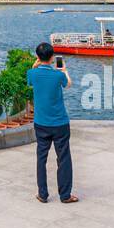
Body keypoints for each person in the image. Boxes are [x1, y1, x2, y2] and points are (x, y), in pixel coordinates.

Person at [27, 42, 75, 204]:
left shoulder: (31, 74)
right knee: (64, 158)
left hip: (41, 122)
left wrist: (35, 63)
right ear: (53, 57)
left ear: (38, 57)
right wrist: (65, 71)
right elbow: (68, 84)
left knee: (41, 158)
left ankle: (42, 194)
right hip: (60, 122)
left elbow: (31, 78)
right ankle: (65, 195)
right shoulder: (58, 75)